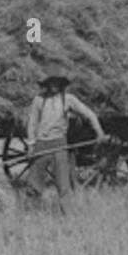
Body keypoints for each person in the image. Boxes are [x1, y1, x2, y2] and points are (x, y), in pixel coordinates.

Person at [24, 66, 103, 212]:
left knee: (63, 185)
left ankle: (68, 215)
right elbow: (32, 123)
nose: (54, 86)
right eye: (51, 82)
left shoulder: (68, 99)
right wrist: (31, 145)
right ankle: (31, 215)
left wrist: (99, 131)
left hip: (59, 145)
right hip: (41, 145)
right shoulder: (38, 100)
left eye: (57, 83)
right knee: (34, 184)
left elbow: (88, 113)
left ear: (61, 84)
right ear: (47, 84)